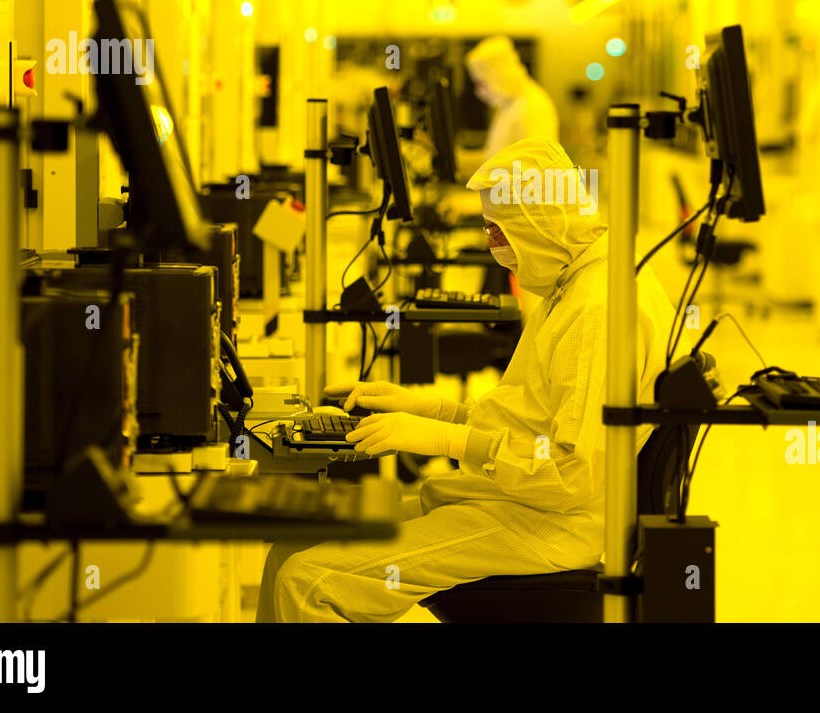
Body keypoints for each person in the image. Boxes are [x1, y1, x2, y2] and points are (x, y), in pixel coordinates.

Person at [258, 138, 674, 622]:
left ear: (539, 223)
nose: (495, 248)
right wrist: (424, 408)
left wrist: (443, 439)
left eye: (500, 232)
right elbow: (529, 419)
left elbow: (570, 476)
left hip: (546, 523)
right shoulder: (576, 279)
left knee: (309, 583)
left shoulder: (599, 308)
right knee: (290, 549)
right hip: (509, 499)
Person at [458, 36, 559, 175]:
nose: (479, 92)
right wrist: (457, 160)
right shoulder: (509, 106)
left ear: (497, 77)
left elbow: (532, 170)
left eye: (482, 83)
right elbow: (494, 158)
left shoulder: (532, 107)